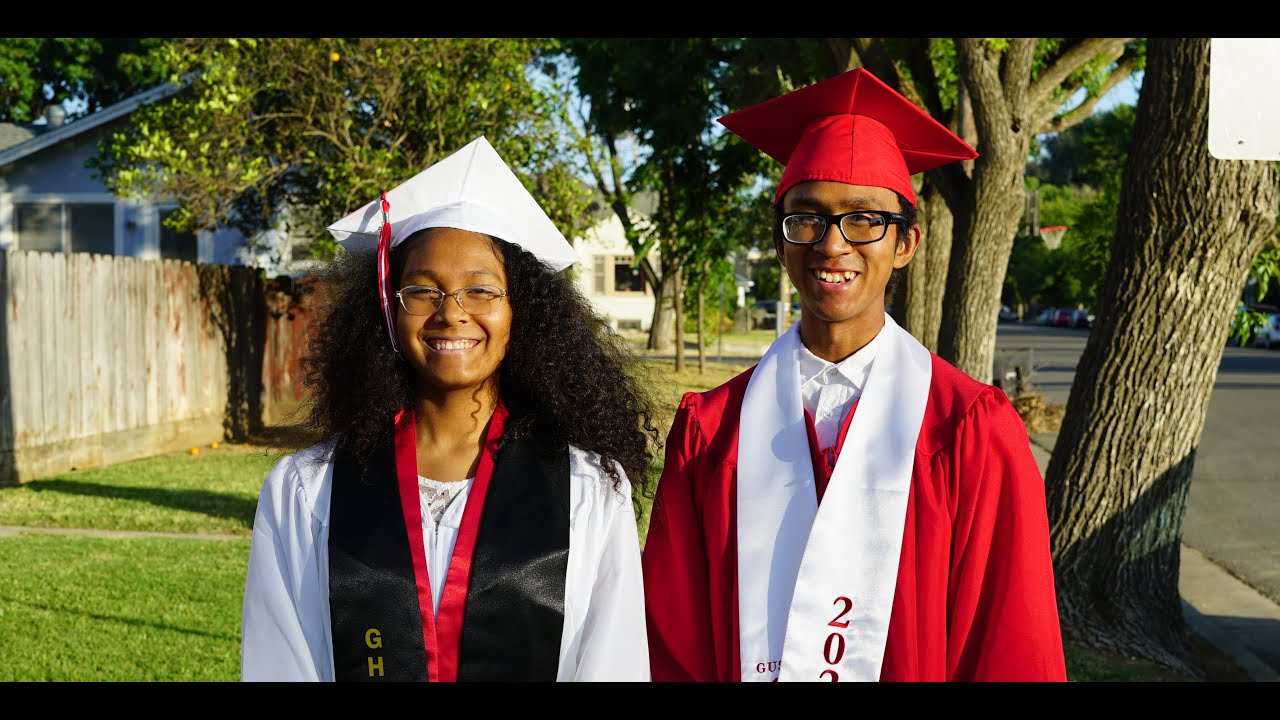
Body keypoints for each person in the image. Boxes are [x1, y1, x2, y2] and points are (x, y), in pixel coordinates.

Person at [641, 69, 1067, 682]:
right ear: (782, 240)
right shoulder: (710, 434)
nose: (831, 245)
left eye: (864, 219)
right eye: (806, 218)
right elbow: (671, 642)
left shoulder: (969, 430)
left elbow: (1010, 641)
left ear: (906, 243)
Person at [241, 136, 659, 682]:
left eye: (481, 290)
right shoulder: (307, 488)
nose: (451, 314)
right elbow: (282, 665)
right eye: (422, 291)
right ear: (389, 311)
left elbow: (611, 666)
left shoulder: (588, 488)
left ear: (521, 311)